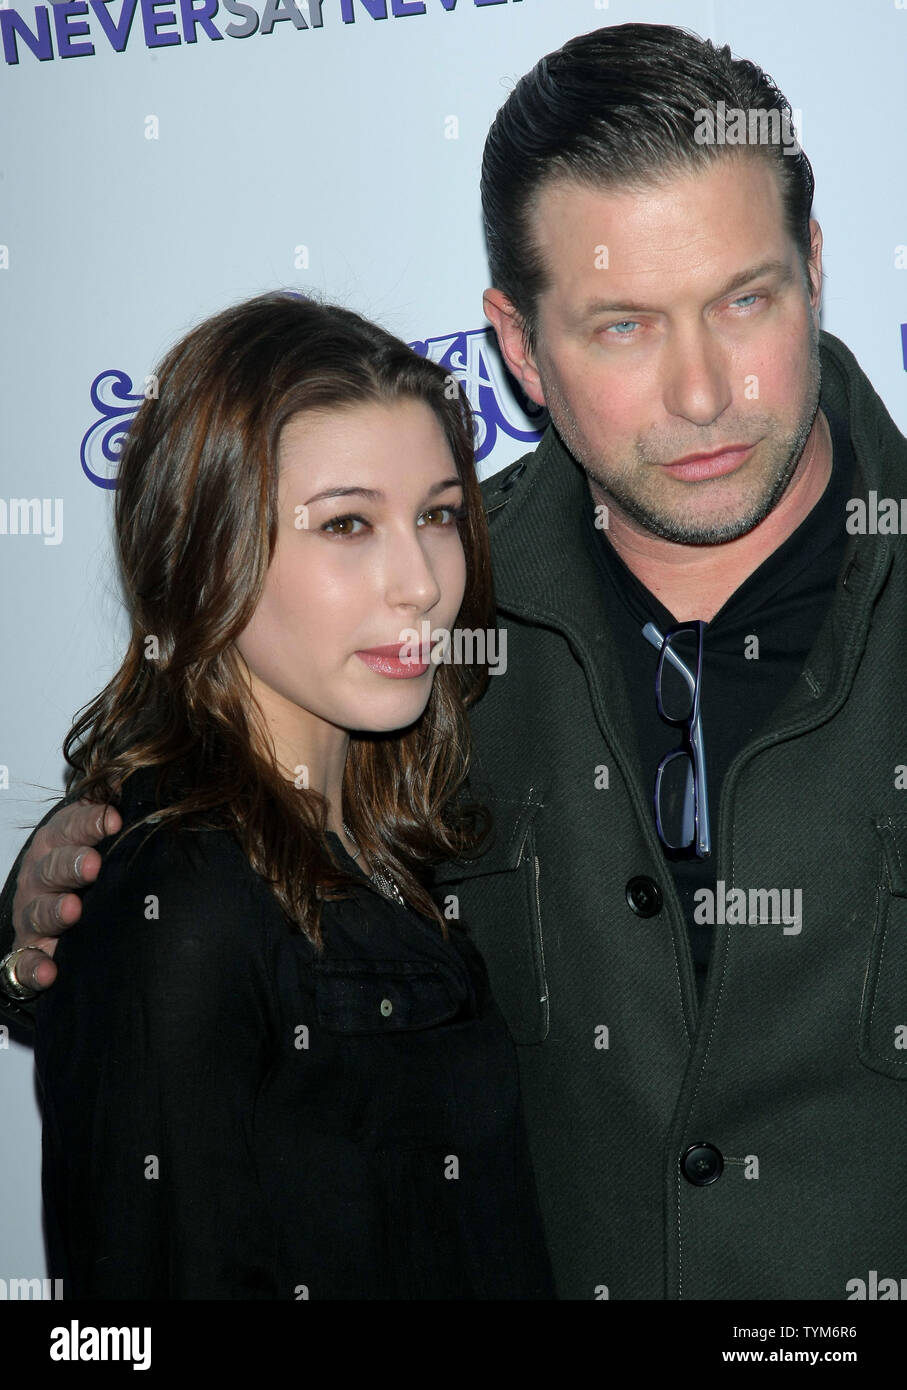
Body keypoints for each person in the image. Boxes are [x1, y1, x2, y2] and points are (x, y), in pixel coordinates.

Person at [3, 21, 906, 1301]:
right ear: (519, 347)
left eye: (744, 300)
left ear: (814, 268)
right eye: (623, 327)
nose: (704, 393)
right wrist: (58, 911)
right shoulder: (425, 630)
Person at [0, 289, 555, 1299]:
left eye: (437, 515)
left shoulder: (380, 840)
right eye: (347, 523)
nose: (420, 582)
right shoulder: (185, 893)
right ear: (206, 548)